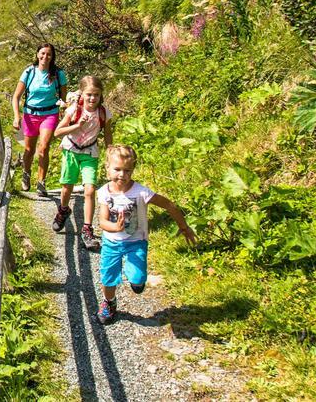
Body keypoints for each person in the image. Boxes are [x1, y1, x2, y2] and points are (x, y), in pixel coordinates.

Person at [95, 145, 196, 324]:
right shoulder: (104, 192)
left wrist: (184, 227)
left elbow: (169, 205)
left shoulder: (141, 192)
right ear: (107, 168)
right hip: (111, 241)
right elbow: (102, 222)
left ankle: (135, 278)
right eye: (117, 169)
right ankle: (109, 302)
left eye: (127, 170)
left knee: (138, 278)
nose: (121, 175)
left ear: (133, 170)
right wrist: (115, 227)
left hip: (136, 241)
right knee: (108, 276)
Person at [52, 76, 112, 250]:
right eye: (89, 95)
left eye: (96, 95)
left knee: (90, 189)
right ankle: (63, 210)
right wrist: (77, 125)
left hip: (90, 152)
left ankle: (87, 229)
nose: (92, 99)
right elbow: (58, 132)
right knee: (67, 187)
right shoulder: (73, 110)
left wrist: (110, 152)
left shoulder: (104, 112)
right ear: (82, 95)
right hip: (71, 150)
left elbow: (108, 133)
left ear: (101, 95)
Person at [11, 44, 68, 195]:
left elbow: (64, 99)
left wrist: (66, 110)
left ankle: (41, 182)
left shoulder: (58, 74)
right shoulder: (29, 72)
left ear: (52, 57)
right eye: (42, 53)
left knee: (43, 147)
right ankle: (26, 173)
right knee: (29, 150)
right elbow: (16, 97)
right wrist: (17, 117)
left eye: (49, 54)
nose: (45, 57)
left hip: (50, 114)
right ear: (37, 54)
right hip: (29, 115)